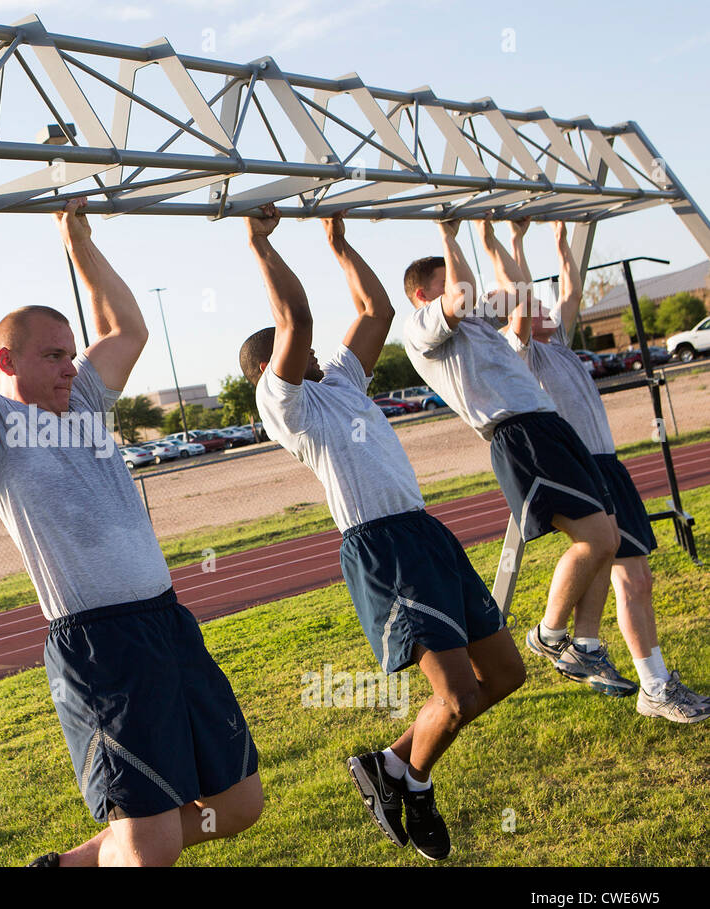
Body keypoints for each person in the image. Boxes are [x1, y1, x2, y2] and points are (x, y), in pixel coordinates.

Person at [0, 187, 261, 866]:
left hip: (166, 622)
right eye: (53, 356)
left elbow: (129, 329)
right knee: (149, 847)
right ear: (6, 362)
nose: (72, 366)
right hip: (99, 646)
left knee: (238, 804)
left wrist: (79, 239)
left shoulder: (90, 403)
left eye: (71, 354)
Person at [239, 208, 524, 861]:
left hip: (425, 531)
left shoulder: (336, 380)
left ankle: (392, 766)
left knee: (503, 675)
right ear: (266, 371)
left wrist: (339, 242)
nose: (310, 352)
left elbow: (376, 311)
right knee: (455, 695)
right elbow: (296, 323)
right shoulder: (283, 403)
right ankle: (413, 784)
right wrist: (260, 243)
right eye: (290, 354)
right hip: (383, 548)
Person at [485, 218, 707, 722]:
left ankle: (647, 679)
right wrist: (506, 239)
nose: (544, 307)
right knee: (631, 577)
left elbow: (570, 285)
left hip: (610, 464)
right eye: (534, 307)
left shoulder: (559, 345)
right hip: (585, 467)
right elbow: (517, 298)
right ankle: (639, 679)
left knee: (639, 578)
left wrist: (563, 242)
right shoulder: (518, 354)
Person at [401, 220, 622, 702]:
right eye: (446, 281)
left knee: (608, 535)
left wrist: (502, 236)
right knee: (592, 539)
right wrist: (449, 233)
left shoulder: (479, 322)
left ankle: (584, 644)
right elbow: (460, 294)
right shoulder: (420, 328)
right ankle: (548, 632)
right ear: (423, 294)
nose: (464, 288)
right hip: (518, 433)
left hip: (548, 425)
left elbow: (518, 292)